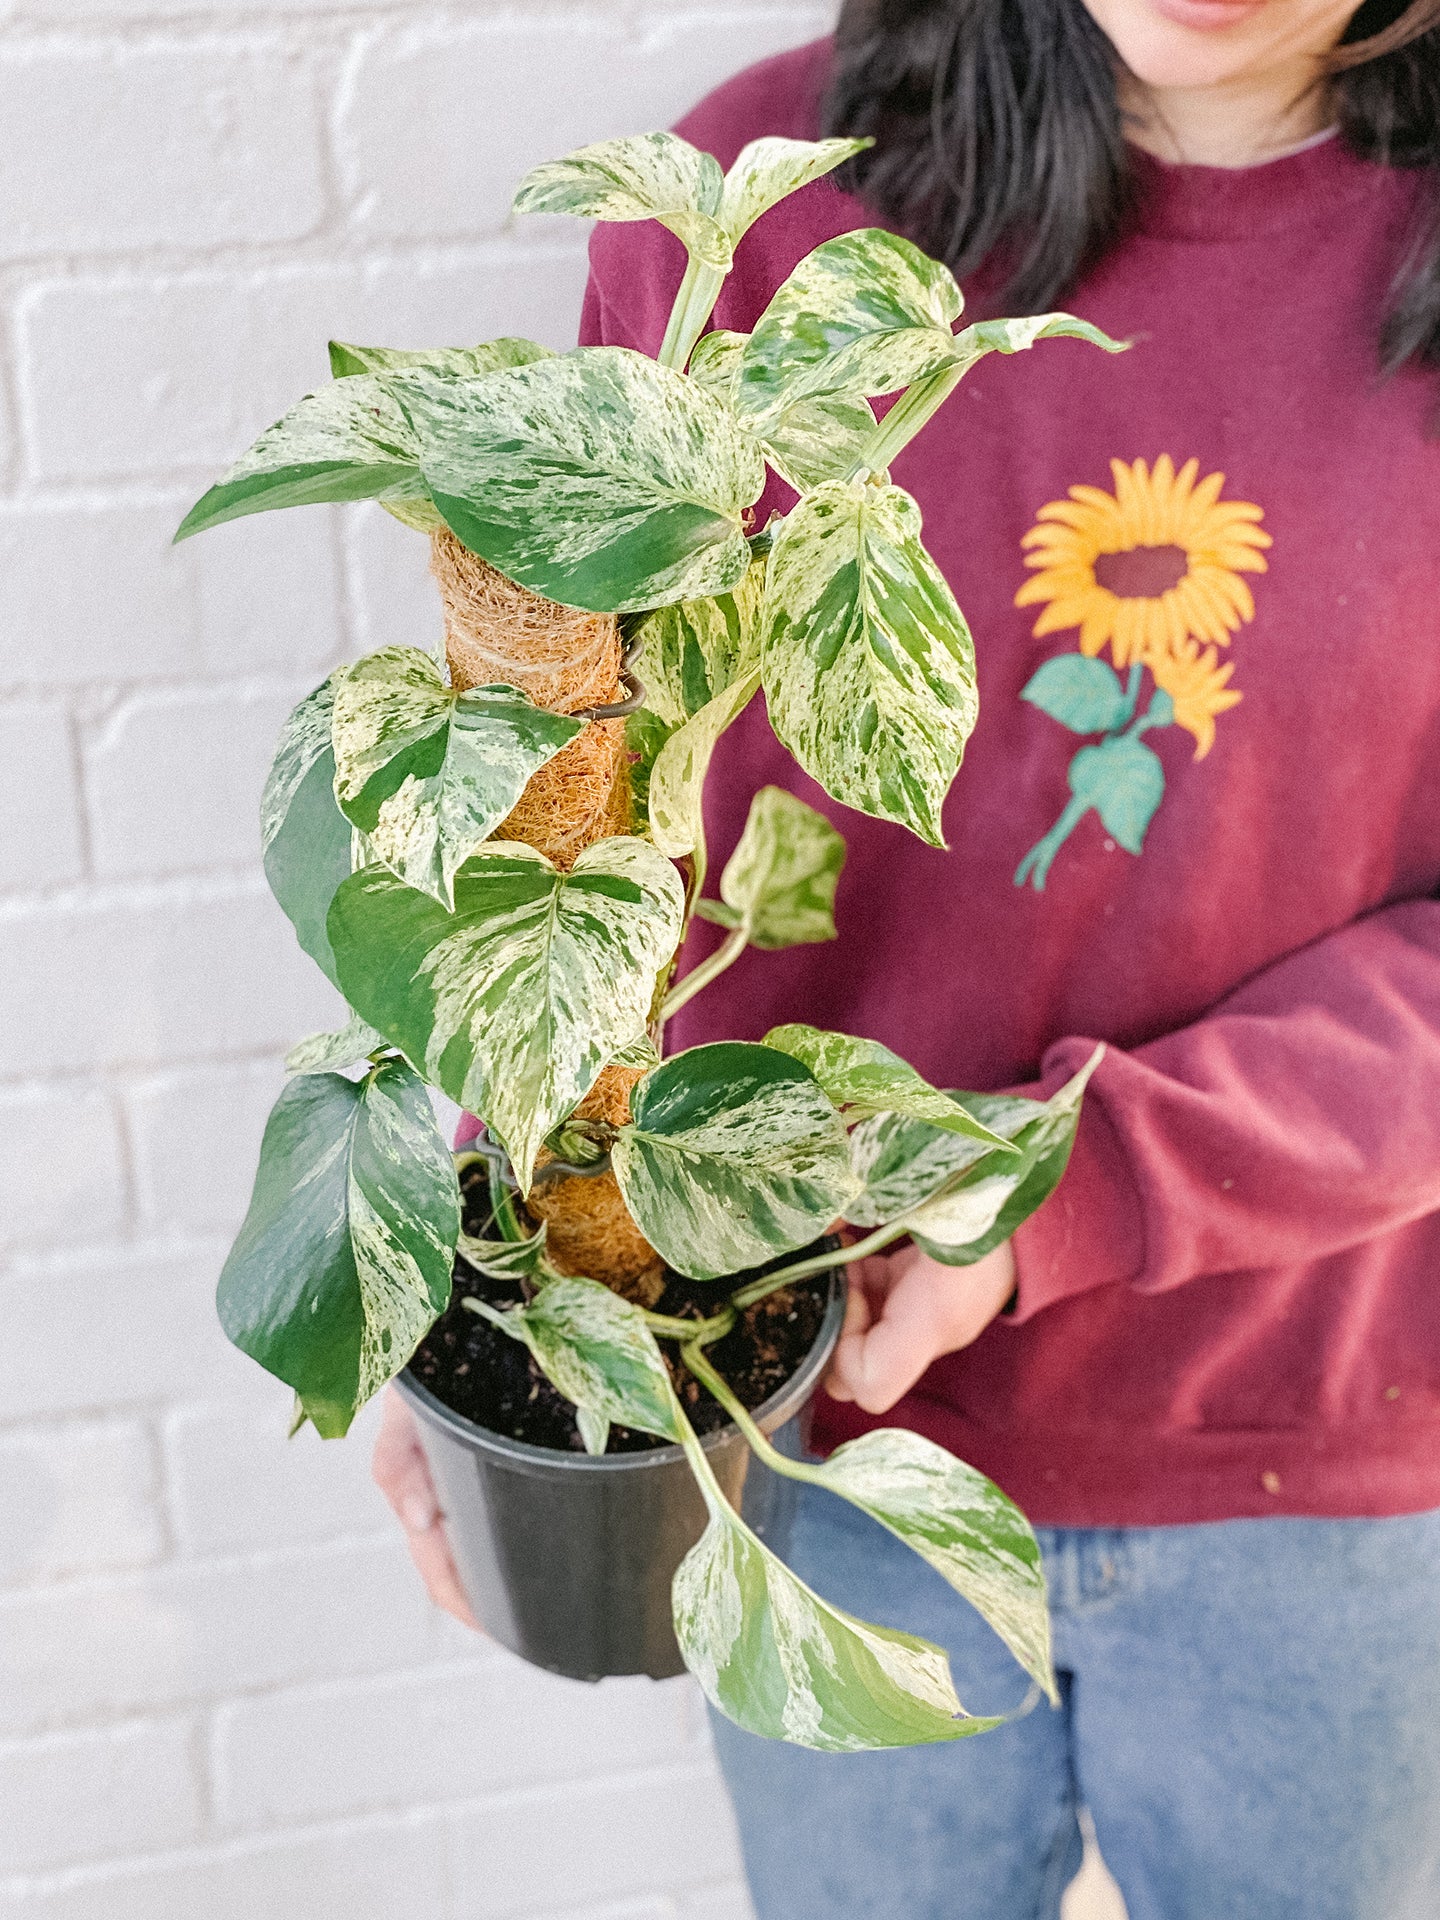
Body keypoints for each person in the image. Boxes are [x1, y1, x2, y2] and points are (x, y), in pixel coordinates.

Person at [375, 2, 1440, 1912]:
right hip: (815, 1439)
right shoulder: (743, 233)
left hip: (1322, 1445)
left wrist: (1042, 1192)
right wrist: (474, 1268)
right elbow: (570, 822)